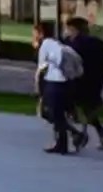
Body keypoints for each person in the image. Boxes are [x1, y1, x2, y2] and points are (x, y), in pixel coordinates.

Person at [65, 17, 103, 151]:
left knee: (72, 105)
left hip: (81, 80)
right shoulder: (96, 43)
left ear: (74, 29)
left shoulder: (76, 44)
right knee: (87, 107)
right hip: (93, 80)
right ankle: (100, 133)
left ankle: (80, 133)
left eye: (69, 29)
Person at [33, 21, 78, 155]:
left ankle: (70, 137)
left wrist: (38, 88)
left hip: (54, 82)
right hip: (65, 82)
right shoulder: (58, 43)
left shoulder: (45, 45)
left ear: (40, 33)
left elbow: (41, 69)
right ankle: (62, 143)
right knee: (58, 114)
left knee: (53, 113)